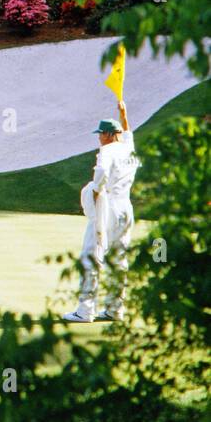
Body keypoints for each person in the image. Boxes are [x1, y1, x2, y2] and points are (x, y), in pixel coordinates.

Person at [64, 100, 138, 323]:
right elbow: (128, 132)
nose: (98, 138)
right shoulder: (128, 148)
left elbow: (101, 177)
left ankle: (85, 311)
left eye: (100, 134)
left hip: (108, 206)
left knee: (91, 256)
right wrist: (123, 113)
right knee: (119, 258)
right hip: (126, 207)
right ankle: (116, 309)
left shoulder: (107, 151)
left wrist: (94, 198)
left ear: (107, 134)